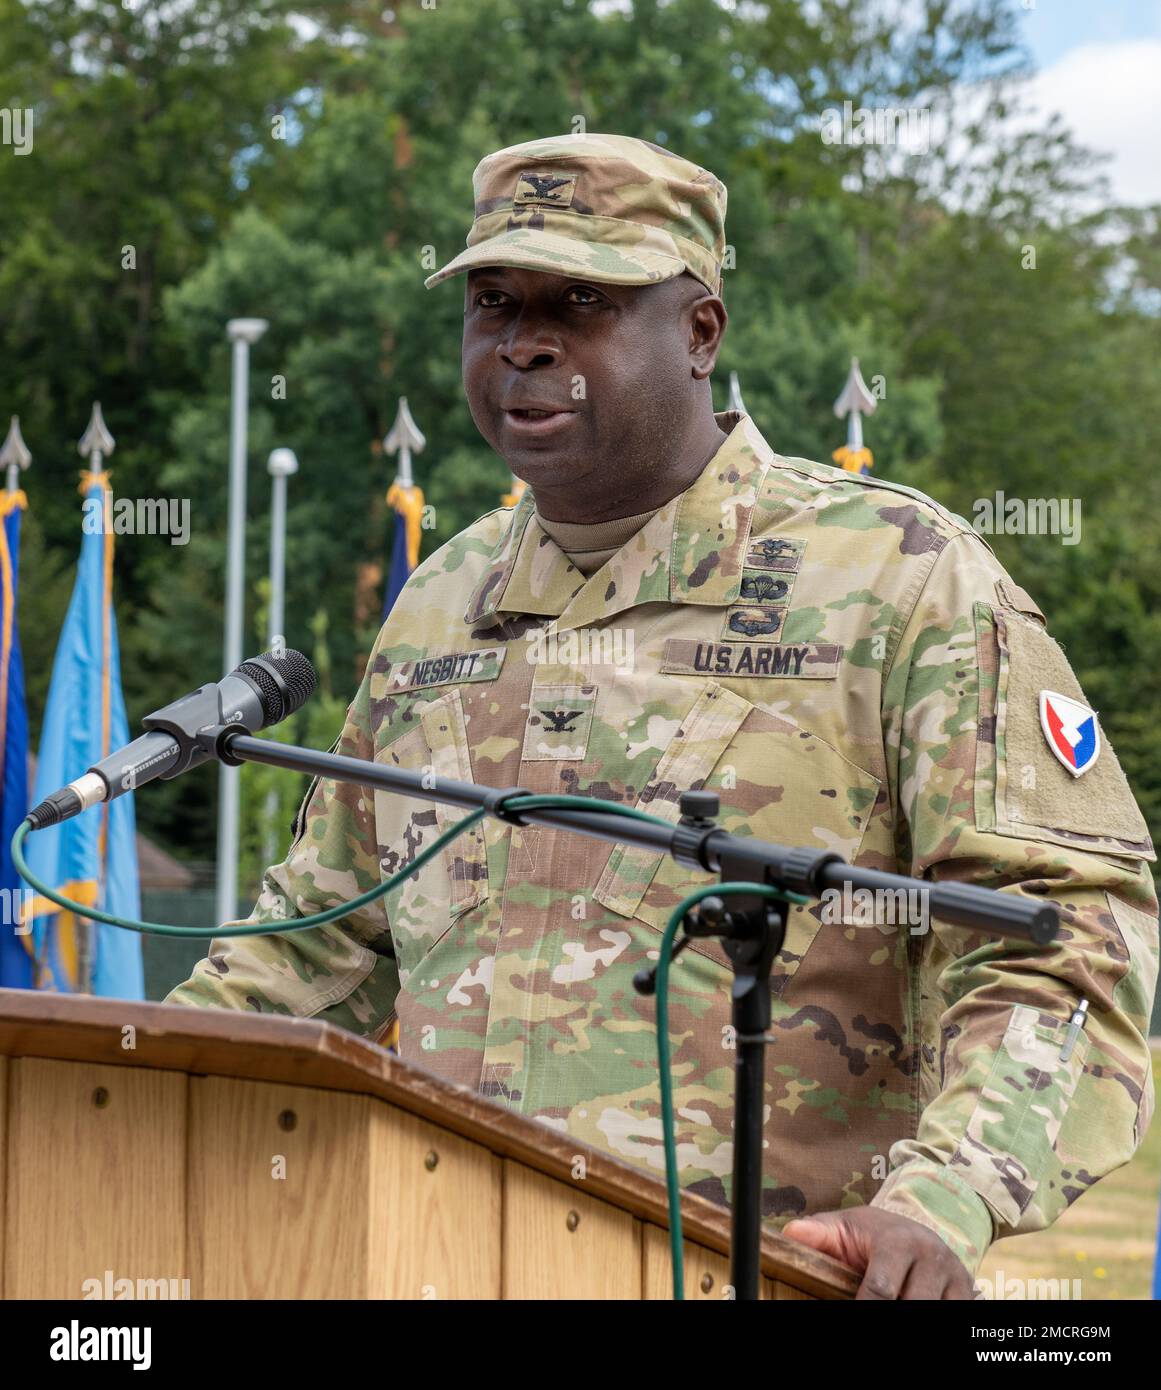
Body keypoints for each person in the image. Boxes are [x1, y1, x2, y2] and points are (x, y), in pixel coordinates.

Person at [168, 133, 1158, 1300]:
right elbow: (317, 945)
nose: (525, 342)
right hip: (444, 1266)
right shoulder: (441, 605)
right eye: (495, 302)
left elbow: (1070, 932)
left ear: (700, 332)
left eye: (581, 302)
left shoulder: (899, 578)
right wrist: (119, 1077)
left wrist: (947, 1195)